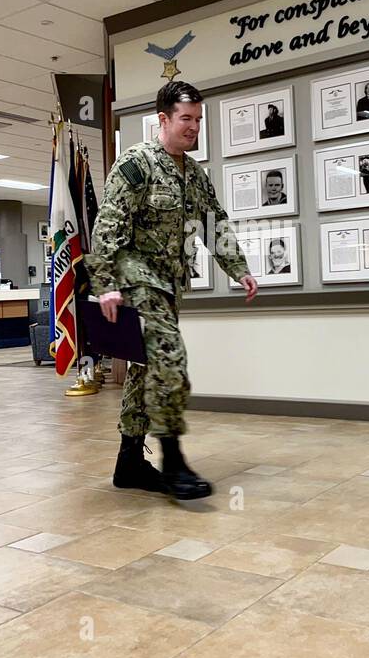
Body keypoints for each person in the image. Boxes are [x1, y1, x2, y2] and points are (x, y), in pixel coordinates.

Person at [89, 81, 259, 500]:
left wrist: (239, 269)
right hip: (135, 277)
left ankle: (129, 462)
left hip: (169, 284)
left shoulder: (194, 174)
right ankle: (174, 459)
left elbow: (214, 223)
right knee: (170, 359)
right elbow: (106, 229)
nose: (194, 128)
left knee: (146, 369)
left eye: (199, 120)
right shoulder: (137, 164)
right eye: (186, 119)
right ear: (163, 119)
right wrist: (106, 284)